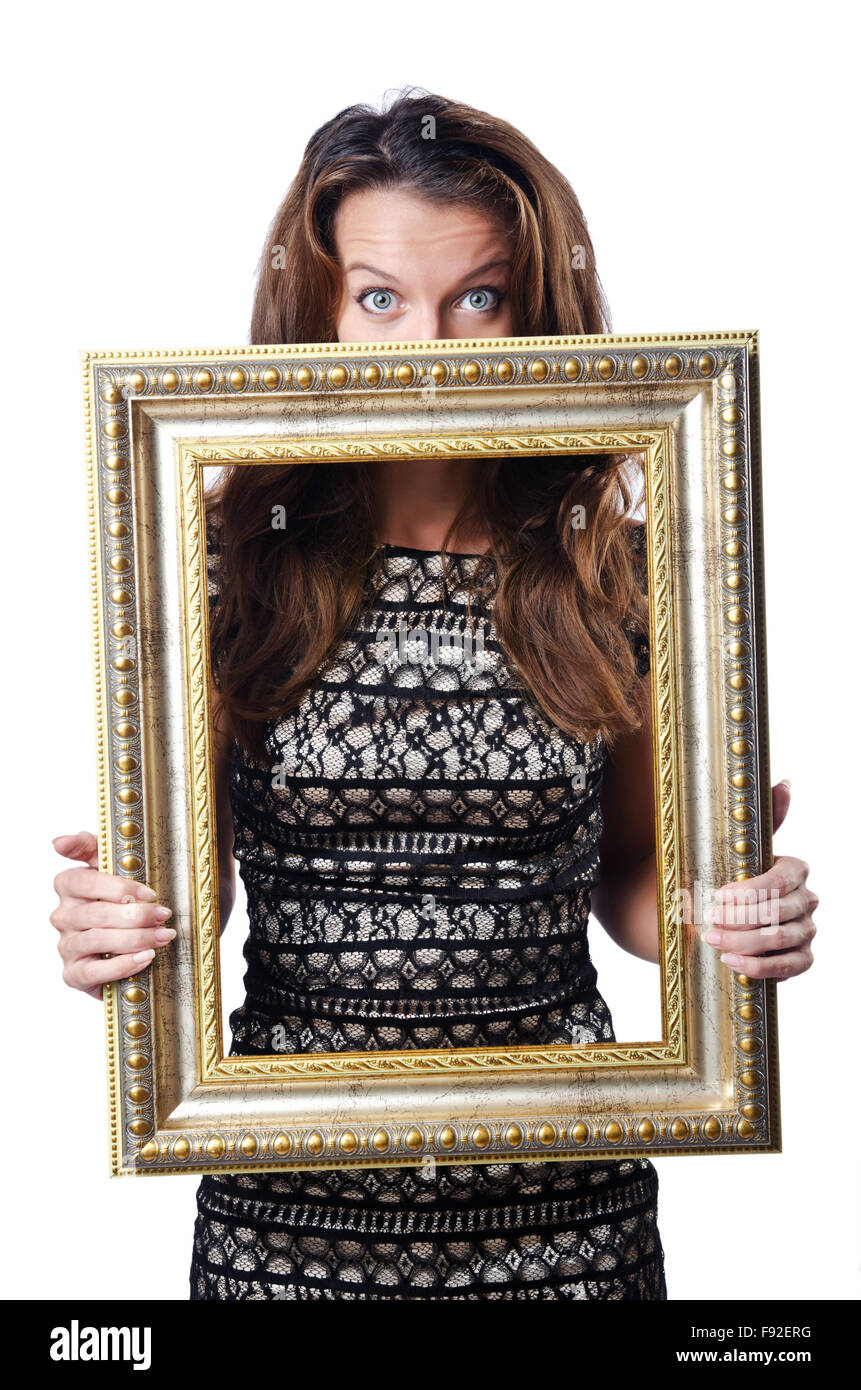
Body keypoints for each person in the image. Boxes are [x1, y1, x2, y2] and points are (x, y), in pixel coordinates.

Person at [51, 90, 818, 1301]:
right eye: (377, 297)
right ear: (317, 307)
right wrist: (115, 927)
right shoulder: (217, 554)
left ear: (531, 307)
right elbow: (188, 884)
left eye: (479, 295)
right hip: (285, 1199)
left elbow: (629, 875)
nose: (432, 339)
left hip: (565, 1202)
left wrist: (715, 903)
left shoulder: (619, 558)